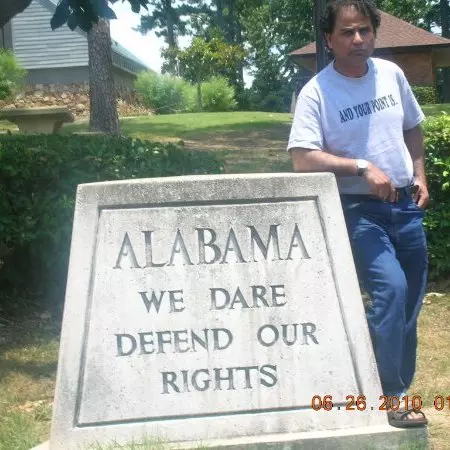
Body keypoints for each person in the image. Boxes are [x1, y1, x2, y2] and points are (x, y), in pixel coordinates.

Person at [287, 0, 429, 428]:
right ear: (329, 40)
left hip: (405, 205)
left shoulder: (392, 74)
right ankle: (393, 395)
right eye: (347, 32)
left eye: (365, 30)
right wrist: (361, 167)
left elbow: (412, 124)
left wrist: (420, 174)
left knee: (409, 303)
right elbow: (302, 157)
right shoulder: (318, 92)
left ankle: (383, 379)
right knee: (391, 291)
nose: (358, 40)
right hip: (359, 211)